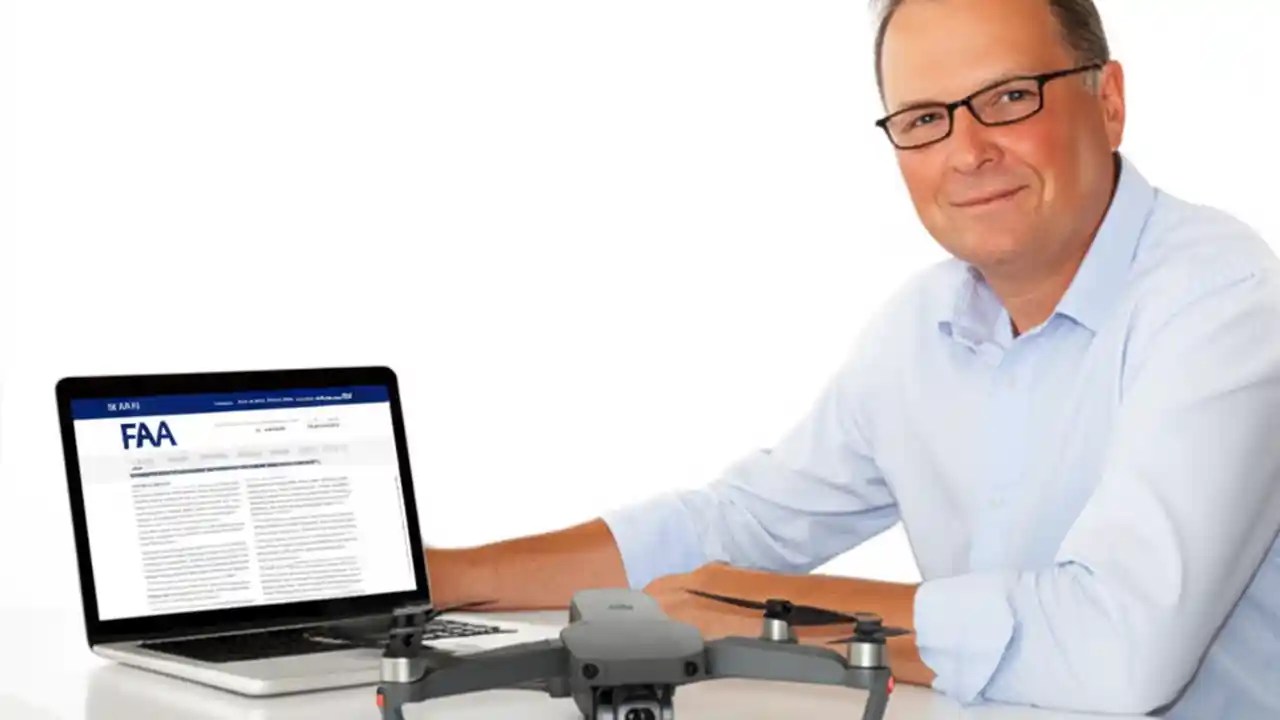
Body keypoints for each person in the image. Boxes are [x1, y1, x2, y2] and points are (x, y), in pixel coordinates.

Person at [425, 0, 1280, 716]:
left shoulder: (1223, 301)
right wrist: (431, 580)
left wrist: (763, 616)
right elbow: (737, 525)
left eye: (1011, 97)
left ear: (1109, 101)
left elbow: (1118, 647)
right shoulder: (923, 328)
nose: (968, 151)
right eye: (924, 119)